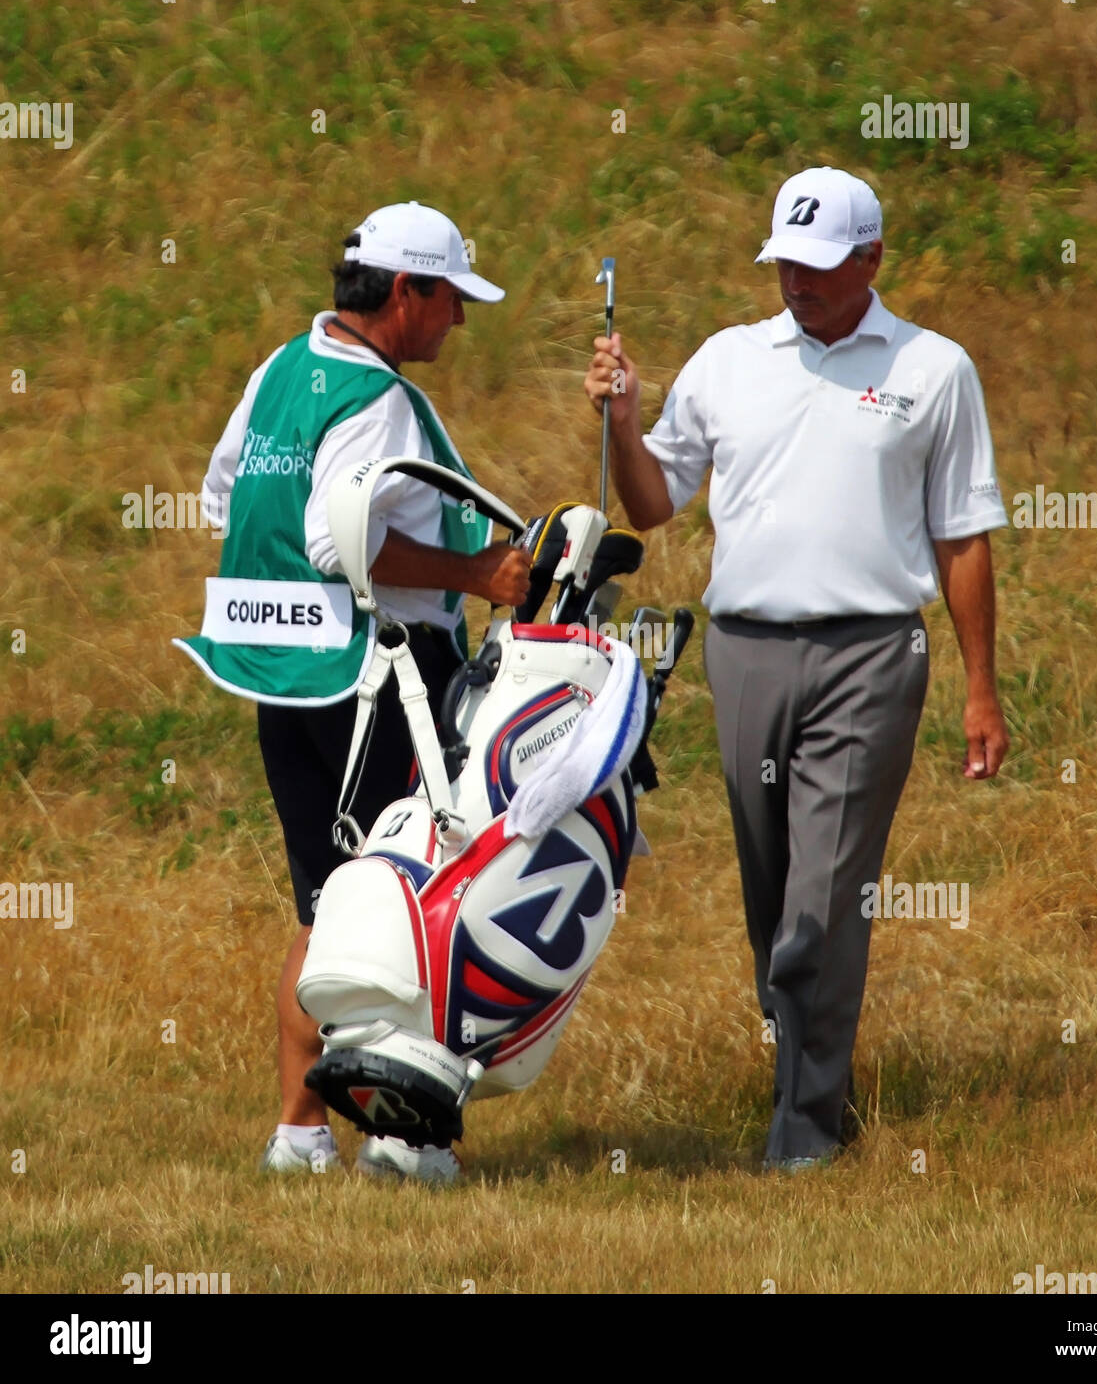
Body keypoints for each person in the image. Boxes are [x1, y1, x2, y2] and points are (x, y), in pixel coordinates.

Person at [583, 166, 1009, 1170]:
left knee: (821, 895)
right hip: (745, 656)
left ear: (872, 258)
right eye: (784, 262)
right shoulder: (728, 361)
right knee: (772, 899)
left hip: (873, 657)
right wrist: (622, 420)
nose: (797, 282)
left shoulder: (933, 369)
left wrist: (980, 688)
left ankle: (804, 1133)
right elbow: (650, 503)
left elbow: (962, 538)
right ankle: (808, 1083)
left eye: (818, 265)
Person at [176, 201, 531, 1183]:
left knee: (326, 905)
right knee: (409, 901)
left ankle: (299, 1135)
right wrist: (475, 575)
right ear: (405, 291)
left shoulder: (281, 368)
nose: (459, 318)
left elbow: (223, 494)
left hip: (283, 678)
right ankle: (400, 1137)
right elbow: (339, 545)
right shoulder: (378, 398)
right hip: (377, 681)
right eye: (451, 297)